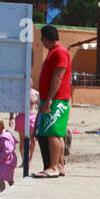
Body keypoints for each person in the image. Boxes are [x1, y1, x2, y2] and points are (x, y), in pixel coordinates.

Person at [33, 24, 71, 177]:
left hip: (56, 99)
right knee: (57, 133)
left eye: (42, 38)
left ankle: (53, 166)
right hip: (56, 99)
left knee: (52, 134)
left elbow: (58, 76)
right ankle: (60, 165)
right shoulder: (55, 52)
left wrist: (48, 99)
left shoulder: (59, 53)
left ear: (47, 38)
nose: (41, 41)